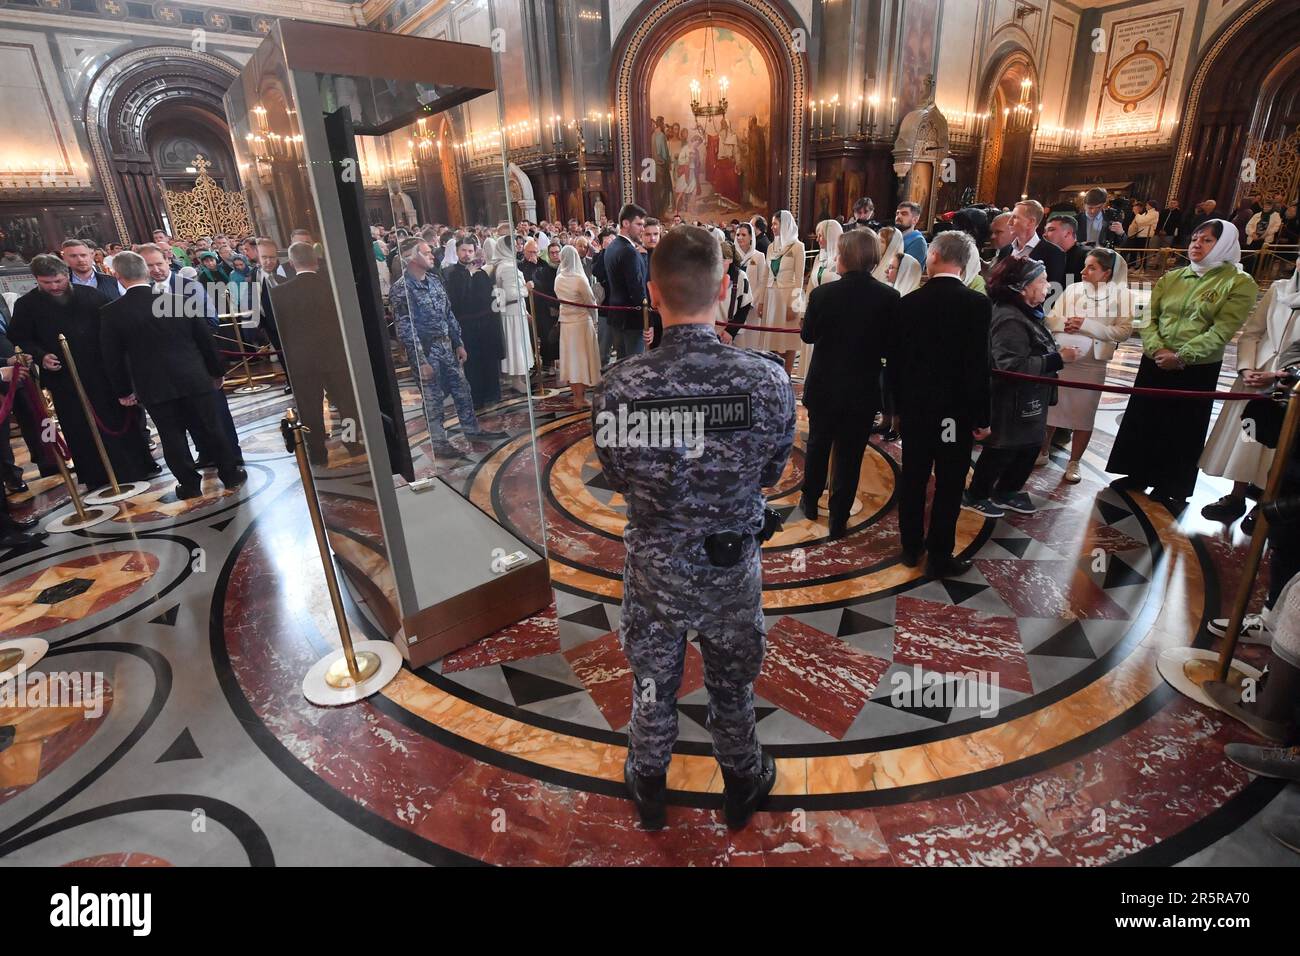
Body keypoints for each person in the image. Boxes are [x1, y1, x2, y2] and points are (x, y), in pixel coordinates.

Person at [591, 225, 795, 831]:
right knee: (732, 683)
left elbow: (618, 476)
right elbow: (772, 469)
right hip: (732, 564)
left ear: (653, 292)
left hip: (655, 563)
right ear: (725, 287)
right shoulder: (767, 380)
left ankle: (649, 784)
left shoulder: (619, 389)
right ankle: (741, 782)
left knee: (653, 679)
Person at [1107, 220, 1257, 507]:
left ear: (1224, 245)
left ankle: (1171, 481)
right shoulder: (1172, 277)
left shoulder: (1238, 282)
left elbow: (1222, 329)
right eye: (1194, 239)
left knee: (1182, 426)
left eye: (1207, 240)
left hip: (1195, 367)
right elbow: (1148, 317)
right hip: (1156, 359)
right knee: (1145, 419)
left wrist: (1182, 356)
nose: (1196, 245)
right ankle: (1137, 473)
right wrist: (1157, 348)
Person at [99, 251, 245, 499]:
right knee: (212, 427)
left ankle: (188, 485)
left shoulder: (112, 312)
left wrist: (123, 391)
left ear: (118, 277)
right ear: (146, 272)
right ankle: (230, 474)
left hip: (153, 384)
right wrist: (216, 371)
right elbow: (205, 341)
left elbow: (112, 358)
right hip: (194, 377)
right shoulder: (176, 300)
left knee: (171, 436)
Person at [10, 255, 157, 493]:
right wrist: (41, 355)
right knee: (78, 427)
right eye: (46, 283)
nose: (54, 287)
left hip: (102, 372)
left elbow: (113, 329)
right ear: (36, 280)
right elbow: (20, 337)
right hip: (64, 377)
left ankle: (135, 467)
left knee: (118, 419)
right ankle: (96, 475)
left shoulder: (91, 296)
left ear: (66, 275)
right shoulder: (26, 305)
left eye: (58, 280)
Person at [895, 232, 992, 576]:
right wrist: (983, 416)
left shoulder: (908, 303)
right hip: (955, 415)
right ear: (965, 262)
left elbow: (897, 363)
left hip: (917, 411)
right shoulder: (977, 304)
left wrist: (894, 408)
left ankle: (909, 547)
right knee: (950, 482)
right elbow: (979, 366)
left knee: (914, 477)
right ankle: (939, 554)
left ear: (933, 256)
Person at [964, 256, 1079, 519]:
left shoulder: (1026, 312)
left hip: (1029, 400)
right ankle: (977, 494)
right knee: (1002, 449)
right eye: (1042, 280)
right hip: (1012, 401)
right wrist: (1059, 358)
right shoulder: (1009, 318)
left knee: (1027, 448)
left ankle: (1007, 491)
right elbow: (1010, 366)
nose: (1048, 286)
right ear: (1022, 286)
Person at [799, 228, 895, 539]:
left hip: (825, 384)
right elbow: (888, 347)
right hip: (862, 389)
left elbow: (808, 335)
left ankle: (810, 501)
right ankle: (838, 518)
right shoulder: (889, 297)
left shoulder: (822, 294)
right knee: (851, 454)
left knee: (817, 445)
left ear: (846, 257)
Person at [1199, 250, 1300, 528]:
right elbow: (1253, 333)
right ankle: (1236, 495)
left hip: (1290, 382)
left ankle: (1266, 502)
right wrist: (1247, 368)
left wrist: (1281, 375)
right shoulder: (1279, 290)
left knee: (1277, 446)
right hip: (1256, 372)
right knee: (1246, 440)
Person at [391, 238, 508, 458]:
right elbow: (406, 328)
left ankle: (472, 430)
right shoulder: (402, 289)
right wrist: (421, 361)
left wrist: (458, 342)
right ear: (411, 258)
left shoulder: (435, 281)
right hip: (426, 350)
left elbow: (448, 314)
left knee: (463, 390)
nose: (432, 256)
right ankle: (439, 443)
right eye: (426, 253)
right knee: (434, 399)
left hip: (446, 346)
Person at [1038, 248, 1134, 483]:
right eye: (1085, 265)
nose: (1083, 271)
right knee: (1052, 407)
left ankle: (1074, 462)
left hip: (1091, 365)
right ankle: (1042, 451)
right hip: (1063, 359)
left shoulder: (1123, 296)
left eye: (1091, 267)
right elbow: (1050, 317)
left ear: (1107, 272)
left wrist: (1087, 325)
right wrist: (1066, 323)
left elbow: (1123, 331)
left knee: (1084, 414)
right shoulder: (1072, 289)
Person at [443, 237, 503, 410]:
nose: (467, 254)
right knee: (472, 362)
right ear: (457, 251)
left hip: (485, 324)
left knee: (488, 359)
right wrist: (468, 277)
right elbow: (456, 300)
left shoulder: (482, 272)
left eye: (470, 251)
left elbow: (488, 298)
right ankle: (476, 397)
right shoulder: (451, 273)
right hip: (465, 324)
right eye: (463, 250)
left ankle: (492, 394)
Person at [756, 209, 804, 374]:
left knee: (787, 341)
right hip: (771, 298)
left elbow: (799, 280)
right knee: (773, 340)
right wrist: (761, 301)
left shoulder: (798, 247)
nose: (772, 227)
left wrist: (795, 306)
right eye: (772, 224)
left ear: (785, 225)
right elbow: (765, 277)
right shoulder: (771, 247)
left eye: (775, 224)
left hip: (787, 298)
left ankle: (787, 375)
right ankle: (774, 374)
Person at [553, 245, 601, 407]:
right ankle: (580, 398)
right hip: (581, 324)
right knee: (582, 361)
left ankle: (576, 397)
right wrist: (595, 320)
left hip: (566, 325)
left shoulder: (559, 278)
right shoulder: (579, 279)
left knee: (572, 361)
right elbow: (591, 301)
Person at [484, 235, 533, 392]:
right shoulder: (507, 267)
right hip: (512, 313)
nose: (517, 247)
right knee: (515, 345)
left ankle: (517, 377)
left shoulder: (504, 265)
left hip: (514, 311)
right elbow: (511, 294)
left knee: (516, 345)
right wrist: (527, 288)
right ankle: (516, 379)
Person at [603, 203, 649, 361]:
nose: (642, 229)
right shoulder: (629, 251)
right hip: (632, 319)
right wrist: (647, 319)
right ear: (625, 223)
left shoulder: (612, 246)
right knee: (635, 368)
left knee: (622, 364)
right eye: (639, 224)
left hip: (617, 315)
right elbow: (637, 289)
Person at [796, 219, 841, 379]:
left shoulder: (841, 259)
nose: (817, 239)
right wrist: (803, 313)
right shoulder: (818, 258)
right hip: (816, 313)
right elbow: (810, 289)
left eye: (821, 235)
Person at [997, 199, 1067, 289]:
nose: (1009, 222)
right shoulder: (1005, 250)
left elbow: (1051, 291)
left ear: (1030, 222)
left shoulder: (1054, 254)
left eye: (1015, 217)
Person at [1043, 213, 1088, 284]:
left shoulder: (1087, 257)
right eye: (1045, 231)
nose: (1045, 235)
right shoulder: (1045, 255)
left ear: (1068, 233)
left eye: (1051, 230)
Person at [894, 201, 928, 267]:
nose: (898, 216)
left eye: (904, 214)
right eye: (897, 213)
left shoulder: (918, 242)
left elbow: (903, 268)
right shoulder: (895, 237)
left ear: (915, 220)